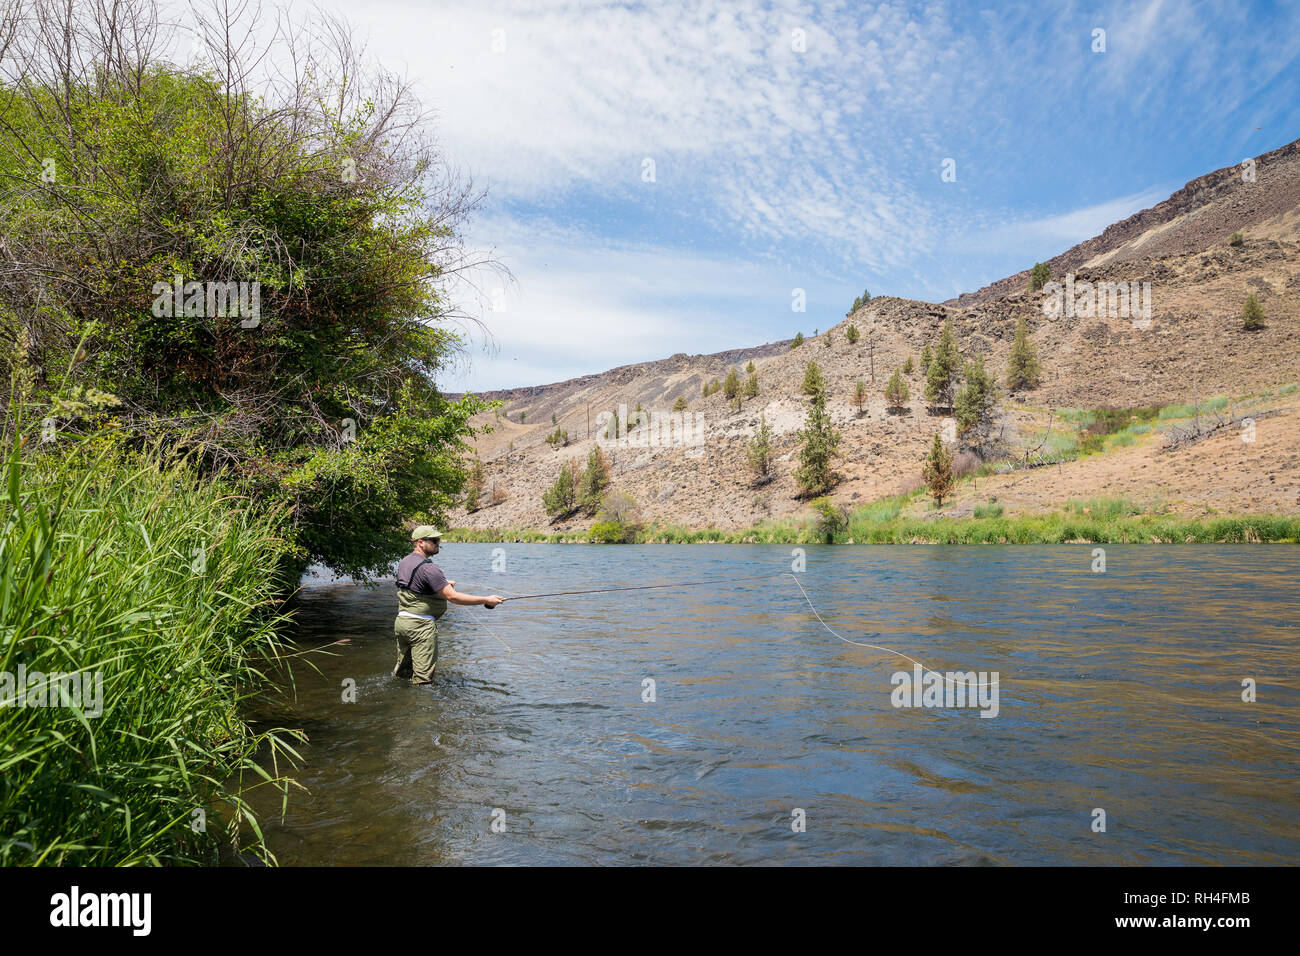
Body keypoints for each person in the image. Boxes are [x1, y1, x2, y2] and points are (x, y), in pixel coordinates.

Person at [393, 526, 505, 684]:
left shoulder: (405, 561)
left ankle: (400, 700)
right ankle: (422, 704)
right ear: (420, 542)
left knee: (403, 673)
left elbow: (414, 586)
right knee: (424, 679)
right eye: (434, 540)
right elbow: (453, 597)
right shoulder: (429, 568)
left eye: (438, 540)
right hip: (421, 627)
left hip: (402, 623)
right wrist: (486, 600)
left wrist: (442, 584)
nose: (438, 543)